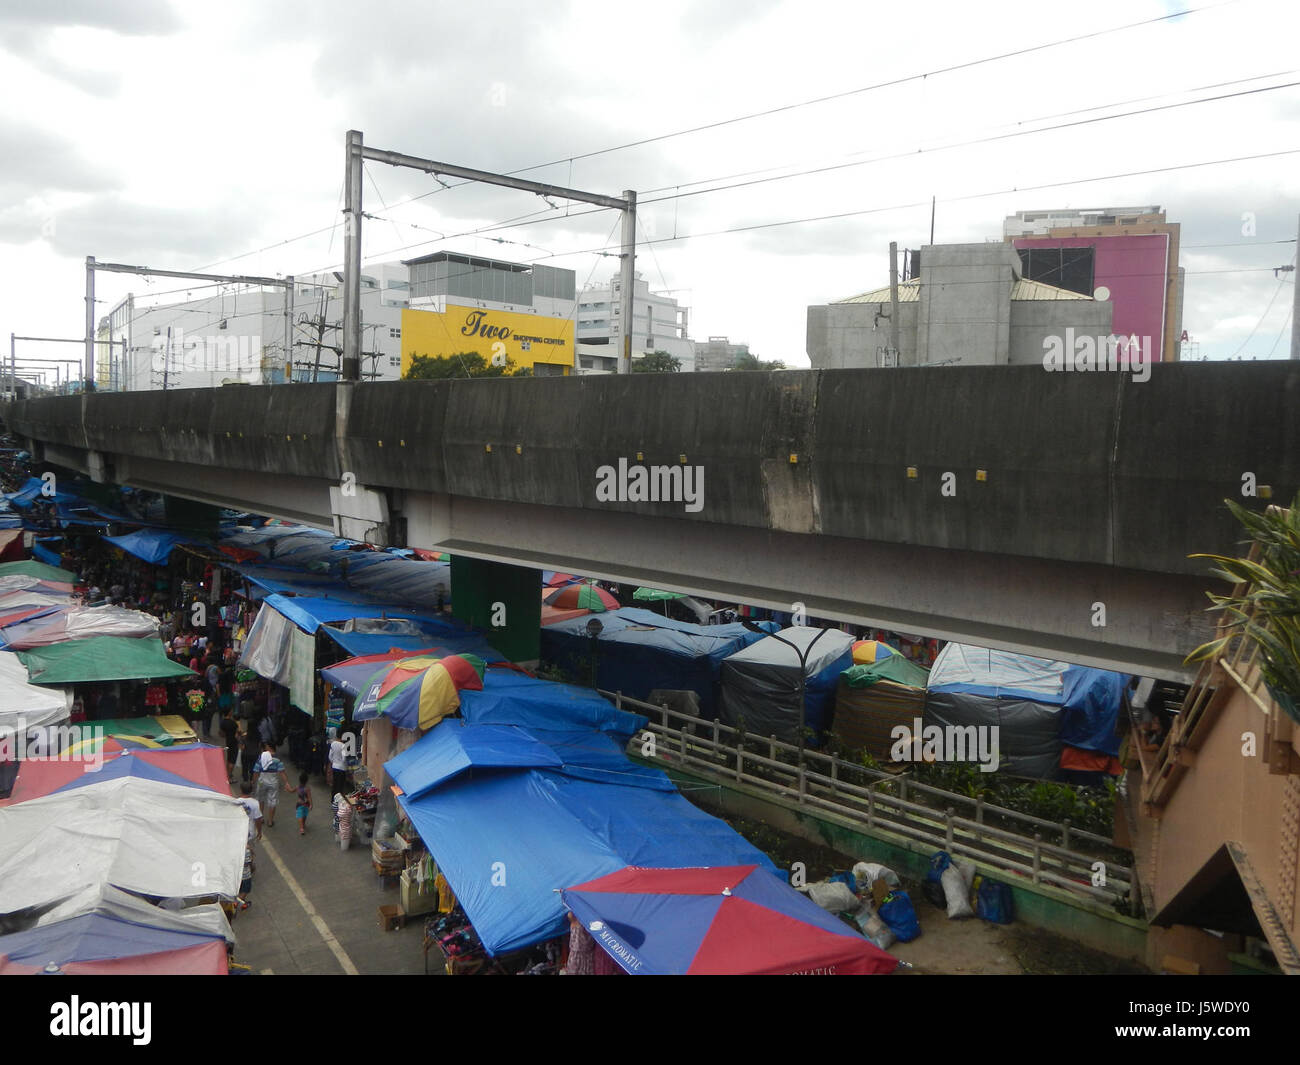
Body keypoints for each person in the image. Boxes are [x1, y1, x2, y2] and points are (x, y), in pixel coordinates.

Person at [253, 743, 290, 828]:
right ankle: (270, 821)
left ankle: (260, 817)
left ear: (268, 748)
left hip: (261, 781)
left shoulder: (261, 757)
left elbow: (256, 771)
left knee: (260, 799)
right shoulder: (277, 759)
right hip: (273, 782)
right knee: (272, 801)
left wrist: (253, 781)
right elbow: (282, 772)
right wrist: (286, 783)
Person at [328, 730, 351, 797]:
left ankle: (333, 800)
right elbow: (344, 759)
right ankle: (339, 801)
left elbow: (330, 756)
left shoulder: (333, 744)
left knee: (335, 784)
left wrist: (334, 762)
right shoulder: (343, 746)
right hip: (341, 768)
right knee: (340, 786)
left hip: (334, 767)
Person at [219, 707, 239, 783]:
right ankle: (229, 776)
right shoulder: (233, 723)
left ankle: (226, 774)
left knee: (229, 758)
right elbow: (238, 732)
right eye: (231, 711)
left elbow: (221, 733)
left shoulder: (223, 722)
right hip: (234, 742)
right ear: (229, 712)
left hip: (228, 742)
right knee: (232, 760)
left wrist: (226, 735)